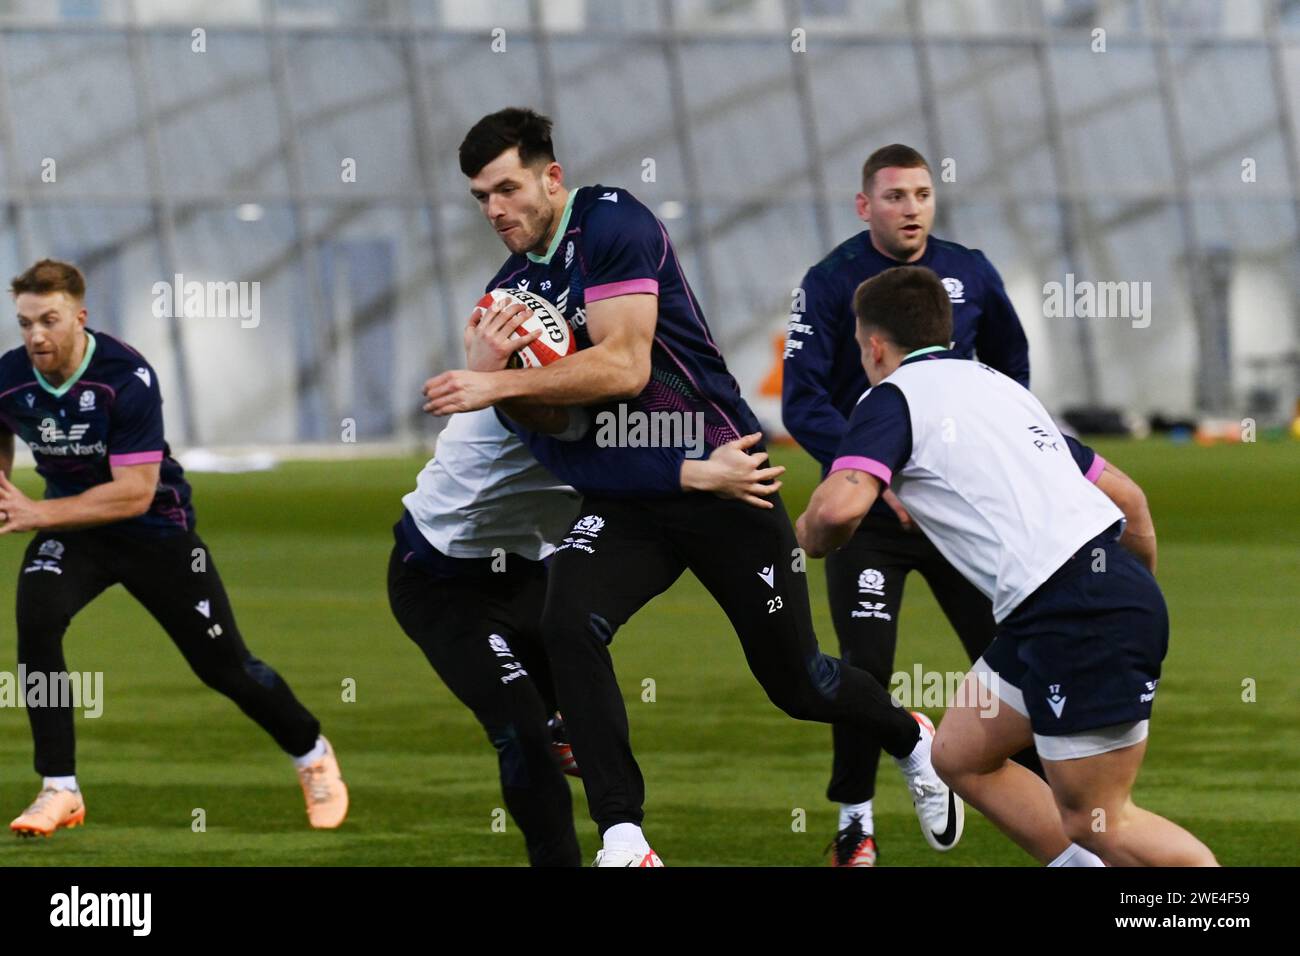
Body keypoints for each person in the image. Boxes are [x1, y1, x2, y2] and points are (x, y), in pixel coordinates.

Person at [423, 107, 963, 866]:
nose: (495, 210)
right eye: (480, 197)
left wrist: (491, 384)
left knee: (799, 684)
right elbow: (561, 451)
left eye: (507, 188)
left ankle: (911, 739)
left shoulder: (613, 222)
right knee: (568, 620)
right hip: (637, 491)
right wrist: (505, 387)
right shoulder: (506, 298)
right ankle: (623, 835)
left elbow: (627, 365)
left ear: (551, 176)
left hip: (730, 478)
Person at [796, 265, 1216, 866]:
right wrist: (1132, 588)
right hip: (1070, 601)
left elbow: (838, 509)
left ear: (874, 346)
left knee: (1099, 819)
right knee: (960, 755)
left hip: (1073, 610)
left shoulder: (889, 398)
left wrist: (804, 534)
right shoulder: (1000, 388)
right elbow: (1128, 497)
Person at [390, 301, 785, 865]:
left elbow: (632, 447)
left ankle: (620, 831)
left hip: (526, 573)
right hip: (440, 583)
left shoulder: (608, 406)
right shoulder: (523, 407)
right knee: (523, 732)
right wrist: (700, 472)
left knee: (578, 682)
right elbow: (600, 463)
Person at [0, 259, 347, 837]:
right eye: (25, 322)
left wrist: (35, 512)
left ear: (79, 317)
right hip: (72, 532)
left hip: (155, 535)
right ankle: (59, 787)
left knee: (225, 667)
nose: (36, 335)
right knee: (36, 622)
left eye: (49, 320)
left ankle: (311, 753)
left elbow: (134, 494)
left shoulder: (125, 376)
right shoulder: (11, 375)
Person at [783, 143, 1036, 865]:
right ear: (865, 206)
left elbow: (1011, 371)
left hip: (957, 510)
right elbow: (803, 401)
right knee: (864, 665)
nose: (911, 208)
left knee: (1009, 656)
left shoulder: (972, 272)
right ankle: (854, 825)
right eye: (895, 196)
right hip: (870, 511)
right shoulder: (831, 283)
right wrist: (872, 470)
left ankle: (1065, 814)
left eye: (922, 194)